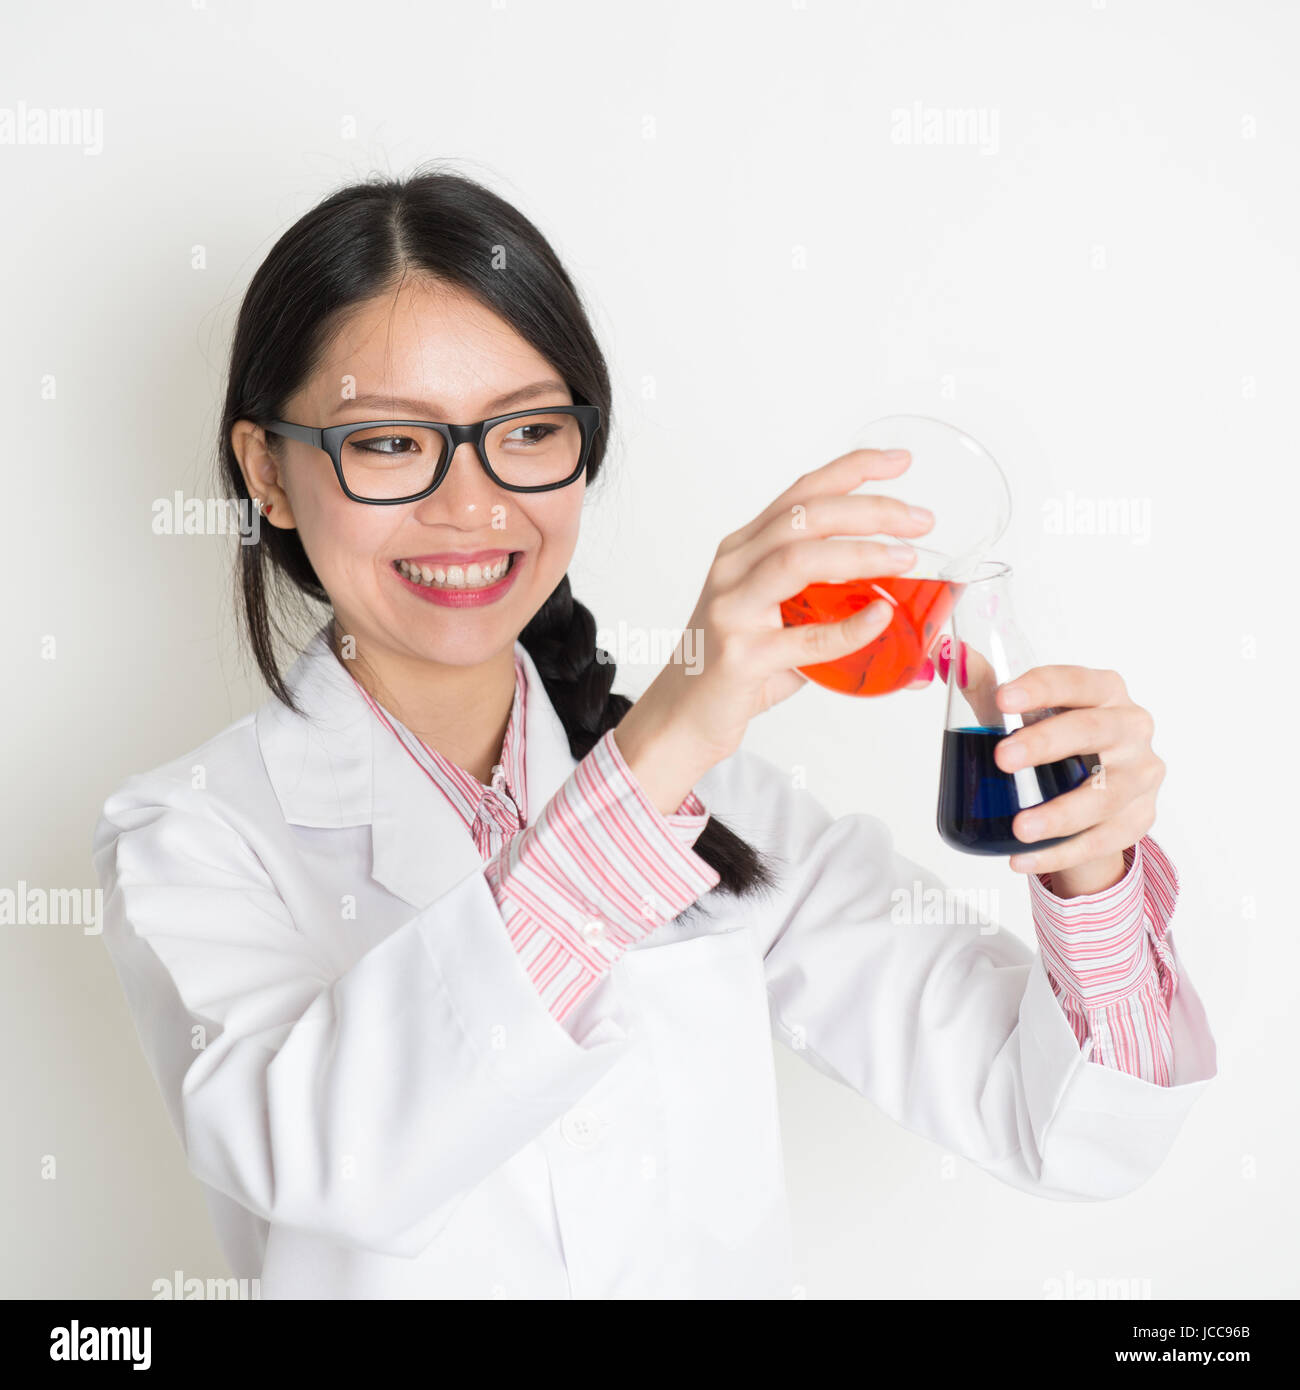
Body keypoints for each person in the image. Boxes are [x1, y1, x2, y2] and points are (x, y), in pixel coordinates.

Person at [92, 166, 1217, 1299]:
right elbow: (341, 1162)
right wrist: (659, 752)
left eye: (526, 431)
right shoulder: (189, 838)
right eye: (388, 443)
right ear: (266, 474)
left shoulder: (729, 811)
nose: (471, 506)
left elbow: (1066, 1129)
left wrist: (1088, 868)